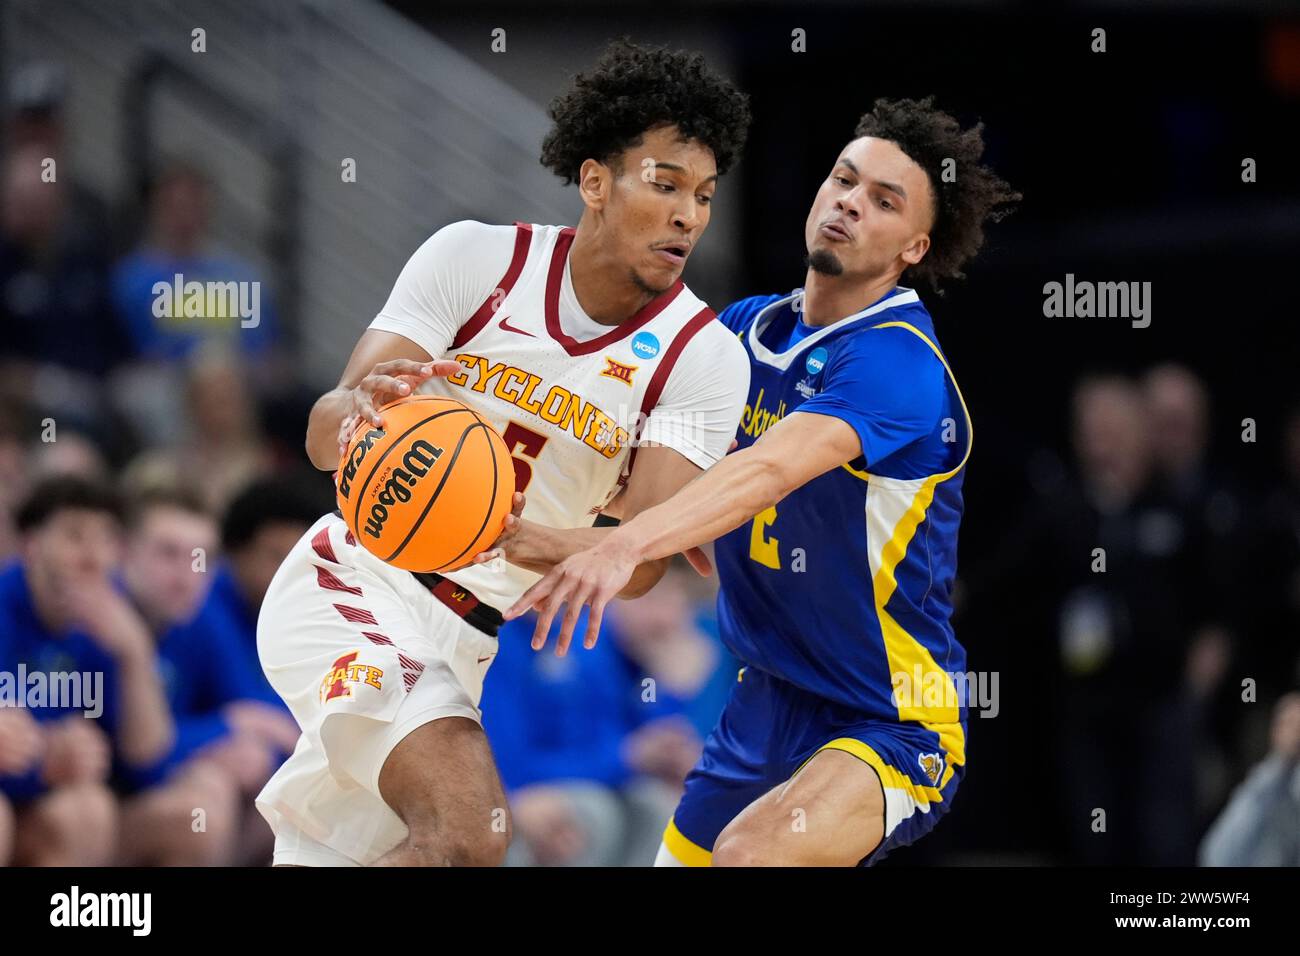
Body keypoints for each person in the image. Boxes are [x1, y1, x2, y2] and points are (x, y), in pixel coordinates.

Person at [253, 39, 752, 867]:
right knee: (472, 833)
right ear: (596, 181)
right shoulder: (477, 260)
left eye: (702, 196)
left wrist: (525, 539)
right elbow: (320, 436)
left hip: (470, 637)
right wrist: (353, 412)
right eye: (665, 185)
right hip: (355, 577)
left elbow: (641, 560)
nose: (688, 216)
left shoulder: (700, 356)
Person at [506, 96, 1019, 867]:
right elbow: (633, 457)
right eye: (844, 180)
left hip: (888, 720)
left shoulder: (898, 363)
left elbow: (771, 466)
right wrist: (511, 511)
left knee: (753, 856)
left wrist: (631, 543)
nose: (850, 202)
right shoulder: (741, 330)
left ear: (914, 247)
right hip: (764, 703)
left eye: (882, 201)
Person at [0, 476, 174, 865]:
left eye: (106, 540)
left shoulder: (113, 624)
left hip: (46, 802)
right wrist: (41, 752)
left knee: (89, 809)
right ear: (30, 545)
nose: (92, 558)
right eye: (74, 537)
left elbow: (148, 765)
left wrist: (135, 654)